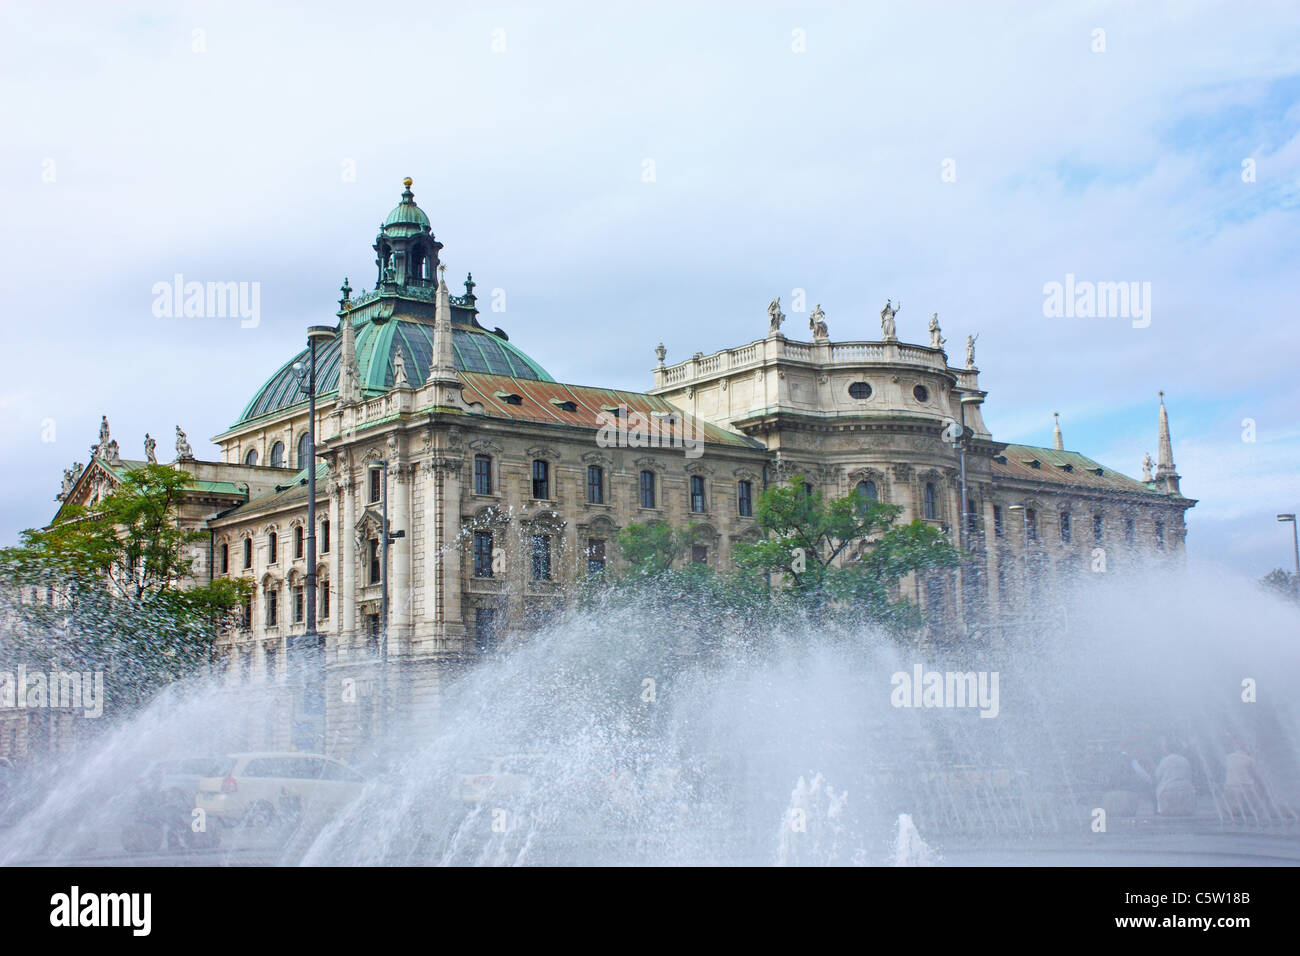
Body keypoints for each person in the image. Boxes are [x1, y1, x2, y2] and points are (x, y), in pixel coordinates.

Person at [1154, 739, 1196, 816]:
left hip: (1168, 789)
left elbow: (1157, 776)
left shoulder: (1165, 760)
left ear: (1167, 748)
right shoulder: (1184, 760)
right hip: (1186, 789)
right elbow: (1190, 775)